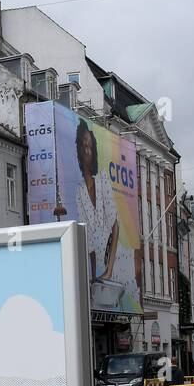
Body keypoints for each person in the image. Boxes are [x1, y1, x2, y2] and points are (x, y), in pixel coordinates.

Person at [74, 121, 130, 286]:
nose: (87, 150)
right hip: (99, 267)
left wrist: (109, 271)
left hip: (116, 261)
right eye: (84, 145)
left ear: (94, 152)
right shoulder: (79, 191)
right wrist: (92, 278)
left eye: (90, 147)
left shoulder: (103, 179)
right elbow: (88, 237)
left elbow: (115, 226)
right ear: (79, 149)